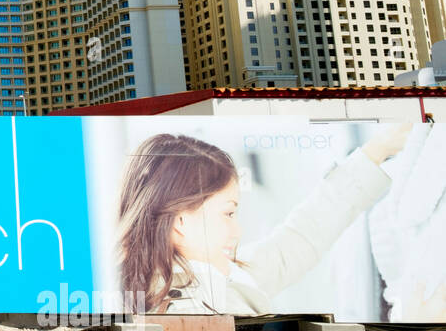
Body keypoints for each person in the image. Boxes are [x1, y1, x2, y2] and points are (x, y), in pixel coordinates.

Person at [116, 124, 410, 315]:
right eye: (228, 214)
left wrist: (377, 150)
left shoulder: (221, 279)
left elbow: (298, 239)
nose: (237, 230)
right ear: (180, 221)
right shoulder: (188, 312)